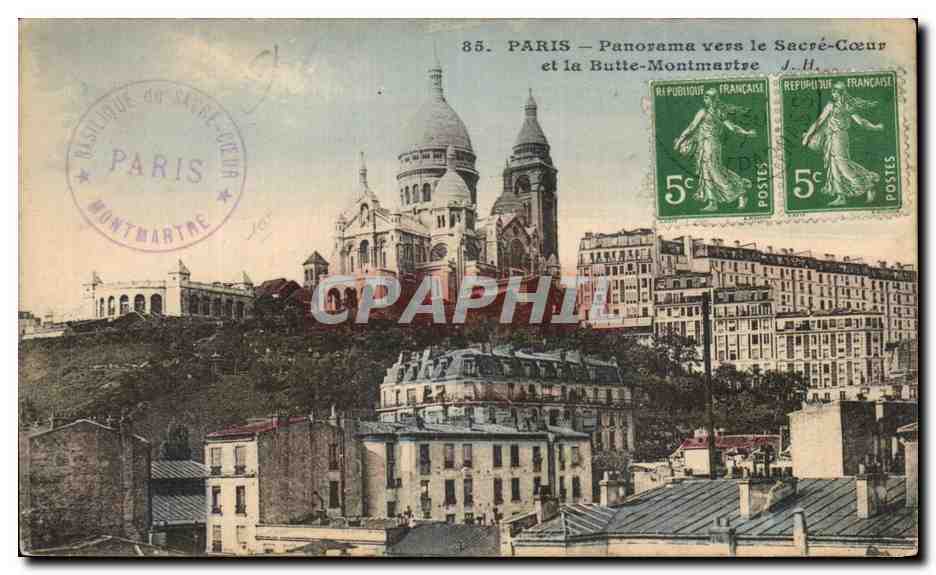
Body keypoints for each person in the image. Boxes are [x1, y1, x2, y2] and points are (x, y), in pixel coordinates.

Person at [674, 88, 757, 212]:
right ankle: (713, 202)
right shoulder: (718, 112)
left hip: (711, 145)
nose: (704, 99)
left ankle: (740, 192)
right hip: (706, 145)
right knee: (707, 171)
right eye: (705, 97)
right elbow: (732, 128)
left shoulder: (706, 112)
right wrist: (746, 132)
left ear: (711, 99)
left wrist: (680, 141)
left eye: (707, 97)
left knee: (714, 172)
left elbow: (692, 128)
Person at [801, 81, 884, 206]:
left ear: (842, 93)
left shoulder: (848, 107)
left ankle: (868, 185)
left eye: (836, 92)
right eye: (833, 92)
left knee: (843, 165)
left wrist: (875, 127)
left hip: (841, 137)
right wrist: (808, 135)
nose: (833, 94)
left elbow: (861, 121)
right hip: (830, 138)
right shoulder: (830, 106)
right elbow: (819, 121)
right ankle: (841, 196)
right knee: (833, 166)